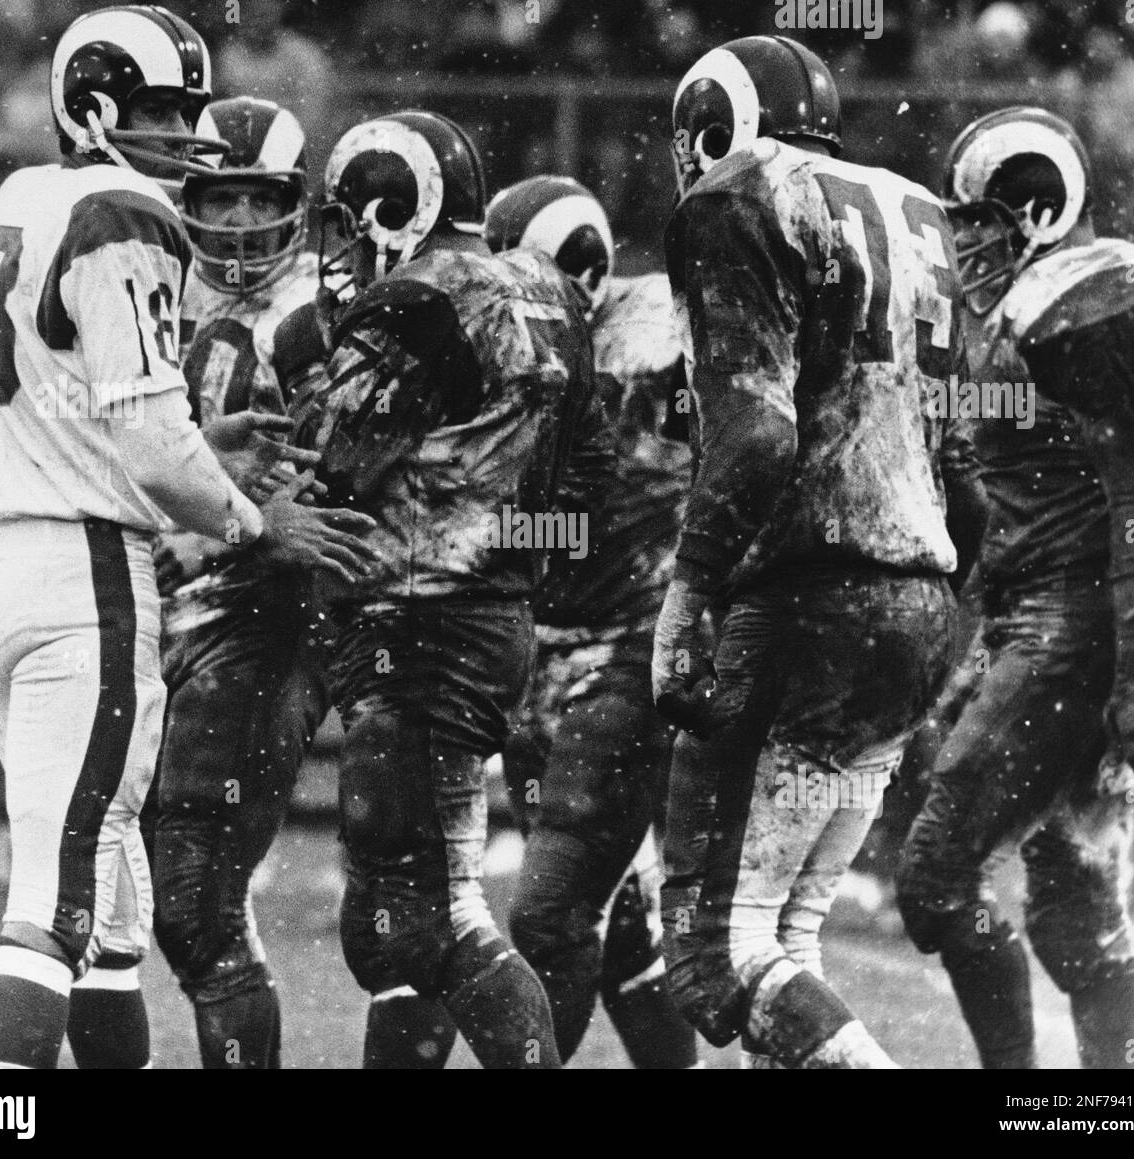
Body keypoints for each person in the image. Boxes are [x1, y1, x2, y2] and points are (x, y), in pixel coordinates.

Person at [0, 5, 374, 1070]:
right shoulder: (124, 210)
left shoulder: (15, 198)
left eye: (187, 107)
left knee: (113, 905)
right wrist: (248, 514)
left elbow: (82, 404)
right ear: (88, 105)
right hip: (80, 579)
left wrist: (197, 439)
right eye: (154, 110)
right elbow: (146, 443)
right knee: (55, 894)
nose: (182, 134)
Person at [654, 34, 987, 1069]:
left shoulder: (737, 195)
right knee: (785, 939)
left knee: (714, 952)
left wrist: (691, 588)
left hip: (806, 598)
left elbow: (757, 433)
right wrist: (926, 614)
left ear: (711, 125)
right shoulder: (917, 210)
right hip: (920, 597)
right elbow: (965, 478)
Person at [287, 110, 613, 1069]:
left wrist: (301, 380)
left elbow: (333, 465)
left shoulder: (417, 299)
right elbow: (586, 473)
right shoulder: (552, 290)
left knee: (413, 918)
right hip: (495, 617)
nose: (343, 245)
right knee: (437, 902)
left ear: (397, 201)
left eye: (352, 219)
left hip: (419, 626)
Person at [898, 107, 1134, 1070]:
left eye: (980, 218)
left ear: (1039, 208)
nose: (966, 240)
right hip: (1037, 610)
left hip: (1076, 620)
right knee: (1071, 911)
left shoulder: (1095, 297)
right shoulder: (1025, 309)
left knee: (936, 875)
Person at [150, 95, 374, 1069]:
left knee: (194, 896)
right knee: (161, 902)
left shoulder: (319, 319)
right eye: (218, 197)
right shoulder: (156, 287)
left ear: (297, 204)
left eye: (257, 200)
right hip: (170, 598)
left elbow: (330, 503)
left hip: (260, 612)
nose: (237, 223)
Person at [485, 174, 697, 1067]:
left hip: (628, 654)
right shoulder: (530, 347)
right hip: (542, 664)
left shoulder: (663, 337)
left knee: (550, 911)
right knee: (615, 929)